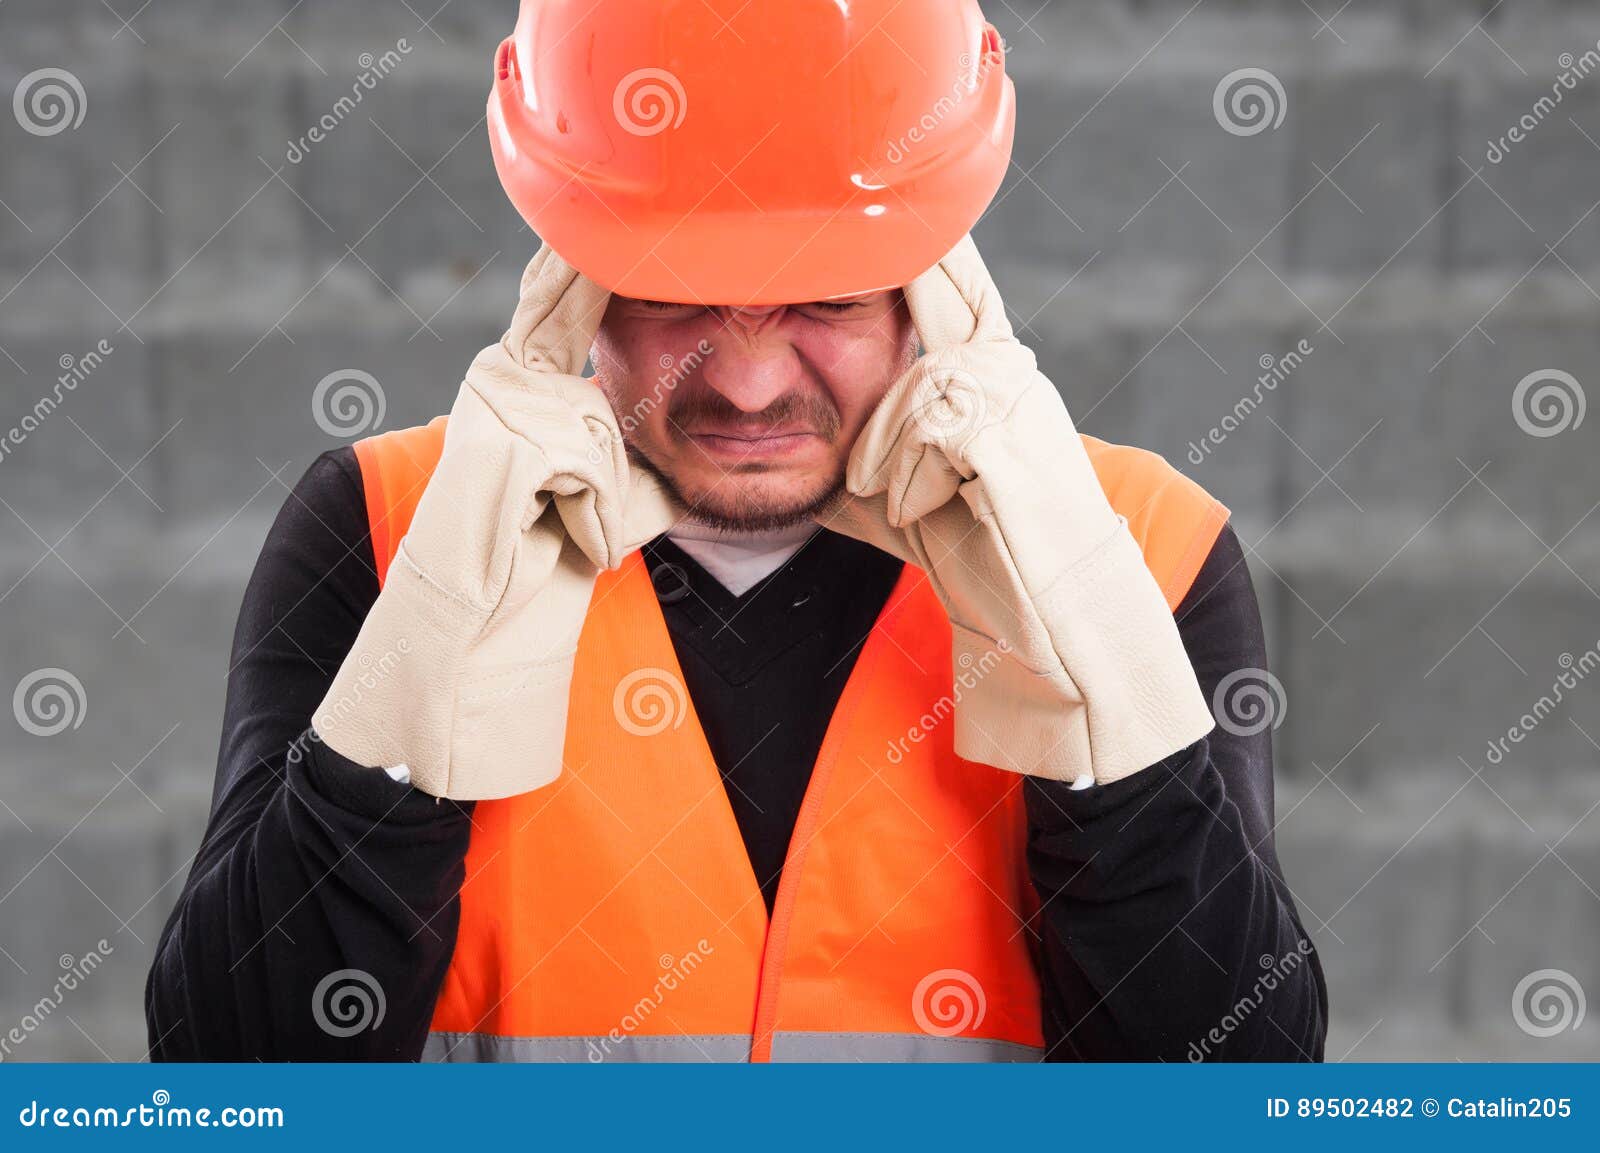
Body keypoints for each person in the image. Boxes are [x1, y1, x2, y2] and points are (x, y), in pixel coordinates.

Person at [146, 0, 1326, 1062]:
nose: (750, 385)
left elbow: (1249, 1089)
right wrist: (430, 644)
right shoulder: (389, 526)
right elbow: (223, 1075)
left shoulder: (1139, 549)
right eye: (671, 295)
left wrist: (1097, 674)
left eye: (828, 297)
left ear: (929, 278)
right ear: (575, 272)